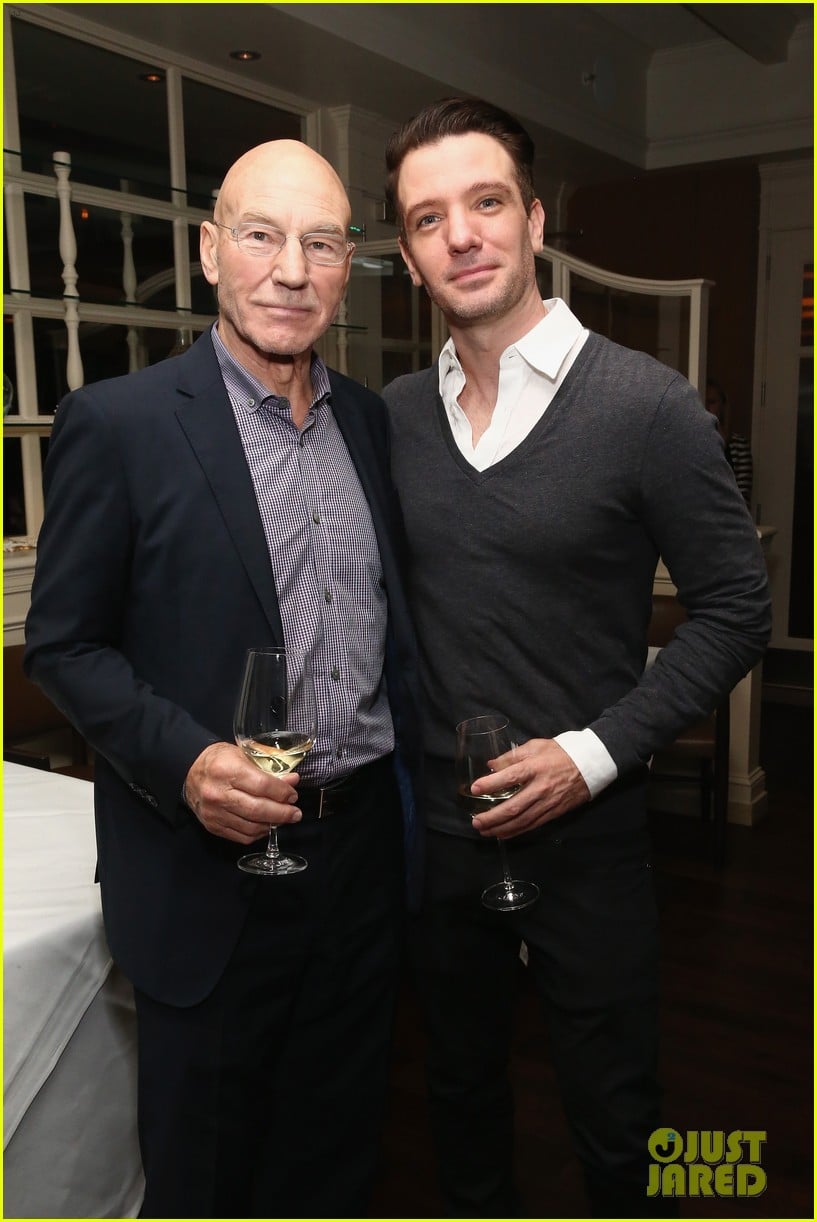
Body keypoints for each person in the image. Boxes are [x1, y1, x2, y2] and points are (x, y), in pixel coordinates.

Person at [381, 97, 771, 1219]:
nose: (460, 234)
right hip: (446, 843)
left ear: (534, 221)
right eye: (427, 217)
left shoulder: (644, 406)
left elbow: (737, 609)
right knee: (455, 1094)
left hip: (590, 839)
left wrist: (592, 755)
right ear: (409, 257)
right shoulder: (396, 417)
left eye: (486, 202)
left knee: (618, 1115)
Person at [24, 139, 422, 1219]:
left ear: (347, 267)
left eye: (322, 243)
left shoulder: (372, 425)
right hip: (208, 875)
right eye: (261, 235)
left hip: (358, 863)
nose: (292, 269)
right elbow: (63, 642)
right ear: (209, 252)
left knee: (336, 1157)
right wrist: (185, 757)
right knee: (207, 1175)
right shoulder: (123, 424)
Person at [705, 376, 754, 507]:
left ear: (722, 405)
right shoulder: (687, 442)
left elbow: (743, 497)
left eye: (711, 402)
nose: (706, 407)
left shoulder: (739, 445)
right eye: (702, 401)